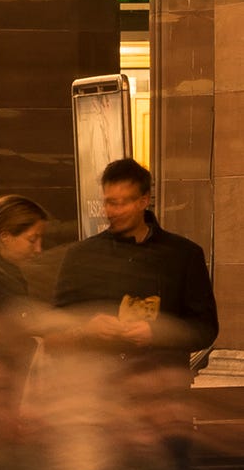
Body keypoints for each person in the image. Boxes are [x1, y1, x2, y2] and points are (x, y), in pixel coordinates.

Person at [54, 158, 218, 379]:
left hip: (160, 389)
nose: (114, 211)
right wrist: (86, 328)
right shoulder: (81, 255)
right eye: (109, 202)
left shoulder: (184, 255)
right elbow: (56, 326)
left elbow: (205, 328)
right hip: (98, 388)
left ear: (143, 201)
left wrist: (159, 333)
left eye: (123, 203)